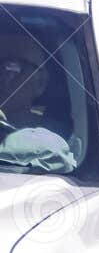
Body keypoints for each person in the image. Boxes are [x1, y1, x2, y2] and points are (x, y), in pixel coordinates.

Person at [0, 37, 76, 172]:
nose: (0, 75)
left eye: (12, 67)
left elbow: (53, 151)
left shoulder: (64, 138)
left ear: (41, 82)